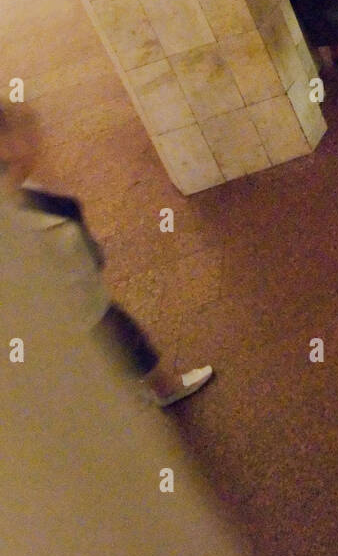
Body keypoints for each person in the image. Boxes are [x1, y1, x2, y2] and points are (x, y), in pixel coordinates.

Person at [0, 104, 213, 408]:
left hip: (73, 300)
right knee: (121, 339)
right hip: (72, 305)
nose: (39, 140)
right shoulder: (12, 215)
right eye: (26, 132)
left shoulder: (21, 189)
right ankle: (163, 389)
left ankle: (136, 391)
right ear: (7, 146)